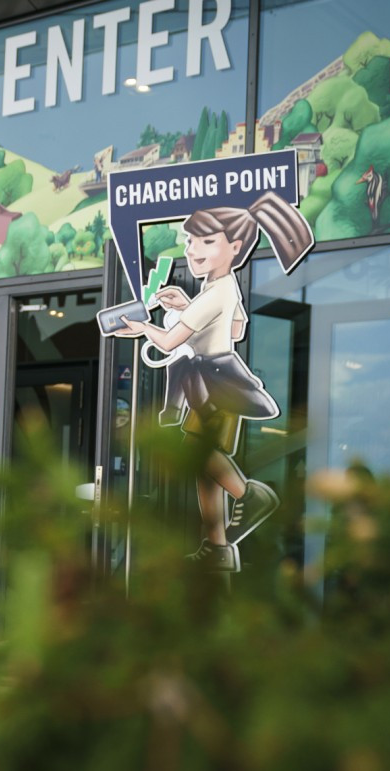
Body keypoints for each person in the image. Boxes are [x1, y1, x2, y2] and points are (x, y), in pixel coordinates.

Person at [117, 195, 310, 571]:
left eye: (207, 241)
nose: (194, 250)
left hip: (214, 378)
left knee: (199, 451)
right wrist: (186, 307)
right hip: (211, 375)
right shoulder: (224, 289)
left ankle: (249, 495)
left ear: (235, 247)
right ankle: (218, 545)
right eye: (191, 241)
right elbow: (234, 329)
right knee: (202, 466)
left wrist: (143, 327)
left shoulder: (218, 291)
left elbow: (172, 341)